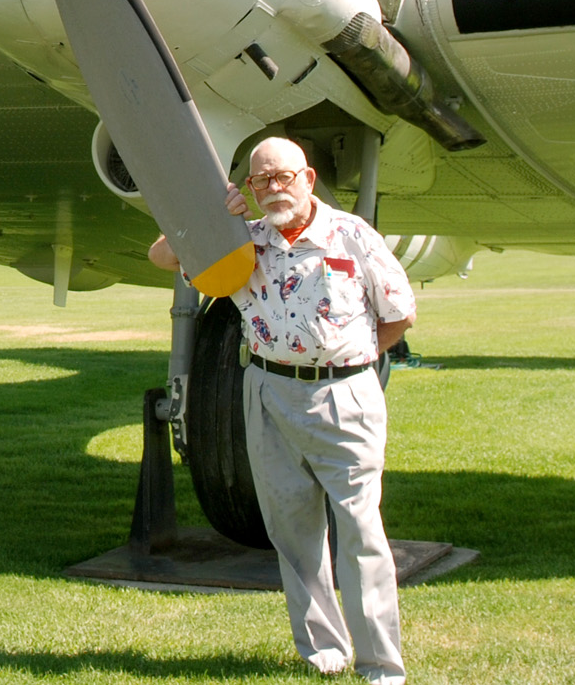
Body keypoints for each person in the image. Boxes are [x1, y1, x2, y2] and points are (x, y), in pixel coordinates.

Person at [148, 137, 417, 684]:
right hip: (268, 393)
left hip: (345, 397)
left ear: (308, 178)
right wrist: (207, 213)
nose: (274, 189)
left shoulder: (351, 235)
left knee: (361, 533)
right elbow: (161, 255)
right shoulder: (241, 241)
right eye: (261, 180)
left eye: (283, 177)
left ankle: (381, 666)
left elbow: (399, 315)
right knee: (292, 533)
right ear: (250, 188)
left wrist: (351, 363)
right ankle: (324, 653)